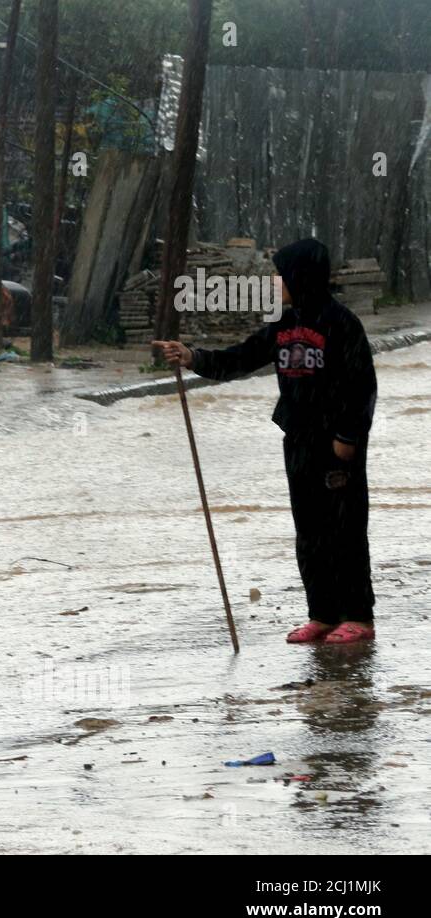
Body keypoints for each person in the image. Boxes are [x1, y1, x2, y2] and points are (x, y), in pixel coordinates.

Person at [154, 237, 378, 645]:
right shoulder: (284, 326)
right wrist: (192, 357)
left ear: (300, 276)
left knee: (343, 532)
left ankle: (359, 616)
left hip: (337, 447)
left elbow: (362, 386)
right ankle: (324, 614)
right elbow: (240, 358)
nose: (276, 282)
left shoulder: (342, 324)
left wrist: (348, 436)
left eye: (280, 274)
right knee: (309, 531)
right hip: (298, 441)